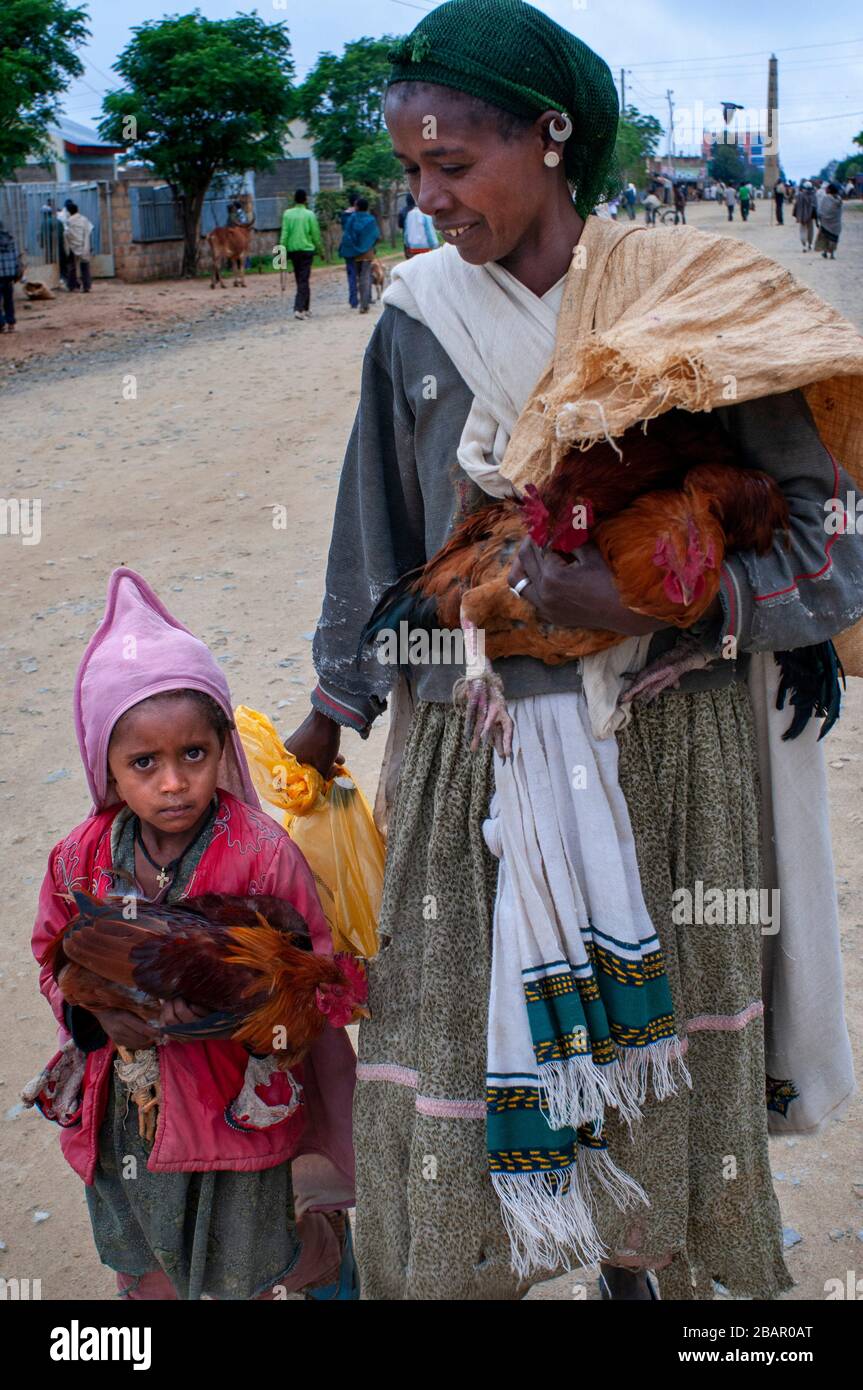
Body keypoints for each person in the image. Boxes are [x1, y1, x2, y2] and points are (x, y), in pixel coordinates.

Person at [290, 0, 862, 1302]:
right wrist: (329, 710)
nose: (424, 198)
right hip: (472, 746)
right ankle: (487, 1264)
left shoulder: (693, 305)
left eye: (451, 165)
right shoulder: (417, 319)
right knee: (458, 1036)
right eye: (409, 171)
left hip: (664, 746)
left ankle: (639, 1261)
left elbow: (821, 541)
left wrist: (655, 605)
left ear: (550, 138)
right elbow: (372, 537)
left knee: (648, 1047)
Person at [30, 567, 359, 1301]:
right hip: (127, 1107)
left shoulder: (261, 852)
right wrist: (92, 1014)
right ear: (107, 767)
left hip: (231, 1112)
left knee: (249, 1250)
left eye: (193, 756)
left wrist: (250, 1022)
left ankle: (316, 1271)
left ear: (222, 751)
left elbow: (316, 965)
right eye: (143, 763)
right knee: (148, 1252)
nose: (172, 783)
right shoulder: (81, 855)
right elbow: (50, 952)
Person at [277, 189, 323, 320]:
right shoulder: (310, 214)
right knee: (303, 279)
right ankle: (299, 309)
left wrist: (280, 255)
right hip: (307, 251)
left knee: (301, 279)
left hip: (293, 251)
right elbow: (315, 235)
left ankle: (306, 308)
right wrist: (321, 251)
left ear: (294, 199)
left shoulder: (287, 214)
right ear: (305, 200)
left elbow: (284, 235)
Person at [337, 197, 381, 313]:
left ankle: (356, 302)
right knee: (365, 277)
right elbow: (376, 236)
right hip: (367, 253)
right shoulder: (371, 220)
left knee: (356, 277)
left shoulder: (352, 219)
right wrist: (370, 245)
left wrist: (351, 248)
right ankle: (364, 304)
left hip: (353, 253)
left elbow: (347, 235)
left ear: (357, 207)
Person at [62, 202, 94, 292]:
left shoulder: (68, 221)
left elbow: (67, 234)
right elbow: (88, 231)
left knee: (72, 267)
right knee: (85, 266)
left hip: (73, 247)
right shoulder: (84, 219)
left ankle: (72, 286)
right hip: (84, 245)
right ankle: (86, 286)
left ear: (69, 212)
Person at [0, 219, 22, 333]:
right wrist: (17, 273)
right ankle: (11, 323)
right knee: (9, 300)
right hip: (9, 275)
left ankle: (1, 324)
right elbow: (16, 258)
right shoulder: (10, 239)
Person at [402, 192, 439, 256]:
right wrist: (435, 245)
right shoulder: (425, 214)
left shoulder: (409, 214)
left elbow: (406, 232)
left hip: (413, 247)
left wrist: (407, 244)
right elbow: (429, 231)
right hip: (425, 247)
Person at [341, 194, 360, 307]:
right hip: (361, 248)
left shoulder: (344, 215)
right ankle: (366, 298)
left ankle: (353, 300)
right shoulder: (359, 215)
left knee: (351, 274)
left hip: (348, 248)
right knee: (363, 273)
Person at [815, 183, 843, 259]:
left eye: (827, 189)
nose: (826, 190)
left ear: (830, 190)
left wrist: (819, 218)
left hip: (826, 223)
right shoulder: (839, 199)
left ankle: (825, 252)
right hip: (836, 224)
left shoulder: (826, 198)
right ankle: (832, 254)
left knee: (825, 237)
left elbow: (822, 210)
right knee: (834, 239)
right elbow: (839, 211)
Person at [793, 179, 818, 252]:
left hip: (802, 216)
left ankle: (804, 245)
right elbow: (816, 206)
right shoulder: (814, 195)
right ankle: (810, 244)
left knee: (802, 230)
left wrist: (796, 214)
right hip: (810, 216)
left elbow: (796, 205)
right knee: (810, 230)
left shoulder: (799, 195)